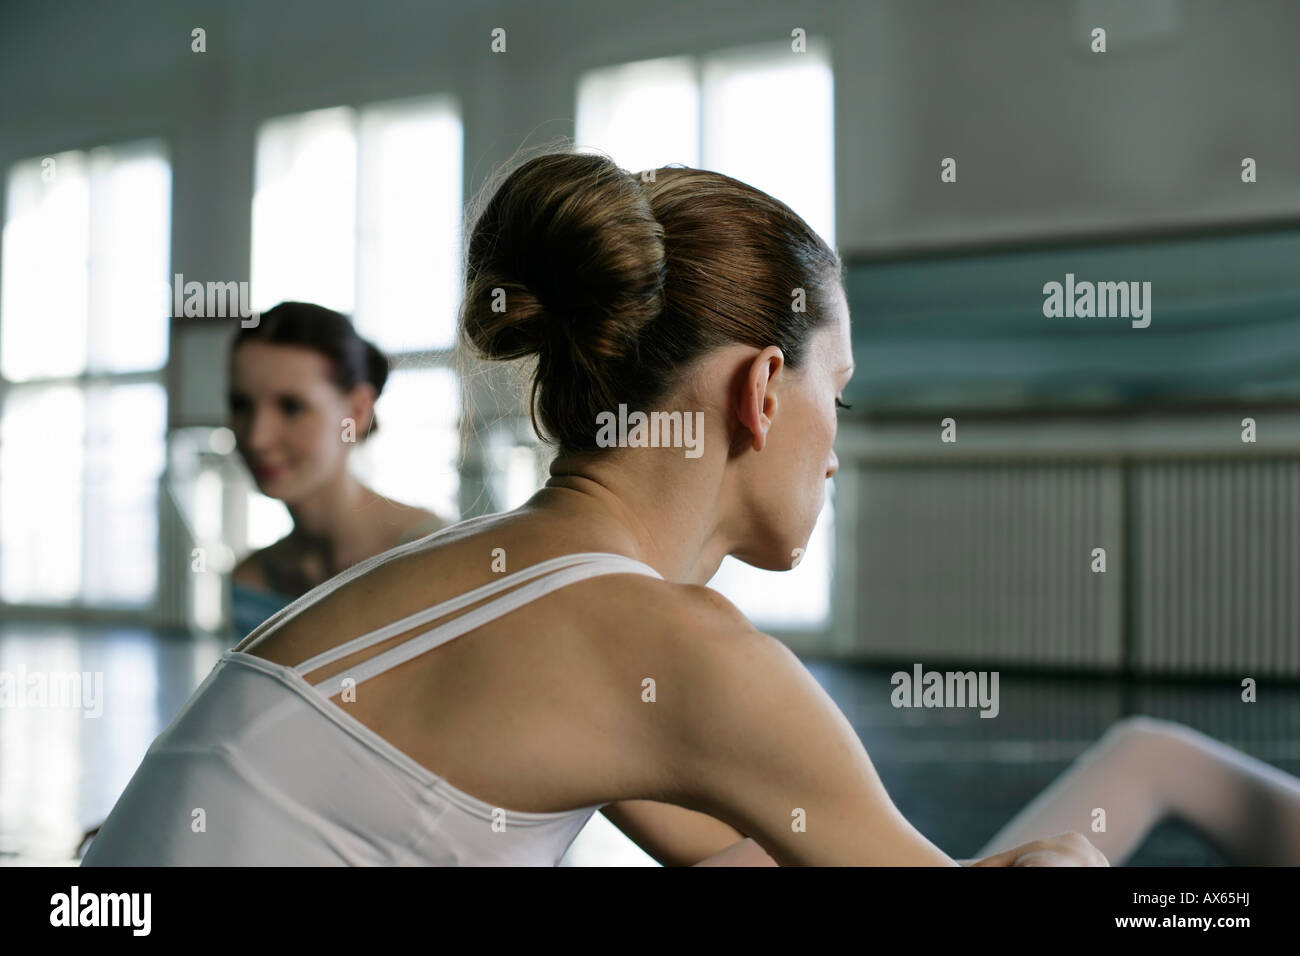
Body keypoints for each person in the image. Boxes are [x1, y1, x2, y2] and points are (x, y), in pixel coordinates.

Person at [80, 144, 1269, 867]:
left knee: (1149, 759)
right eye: (836, 395)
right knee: (1146, 784)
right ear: (761, 389)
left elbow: (753, 855)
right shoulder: (675, 647)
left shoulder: (506, 581)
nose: (837, 448)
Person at [225, 301, 448, 637]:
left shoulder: (435, 556)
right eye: (241, 405)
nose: (256, 438)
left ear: (357, 412)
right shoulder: (252, 580)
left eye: (292, 407)